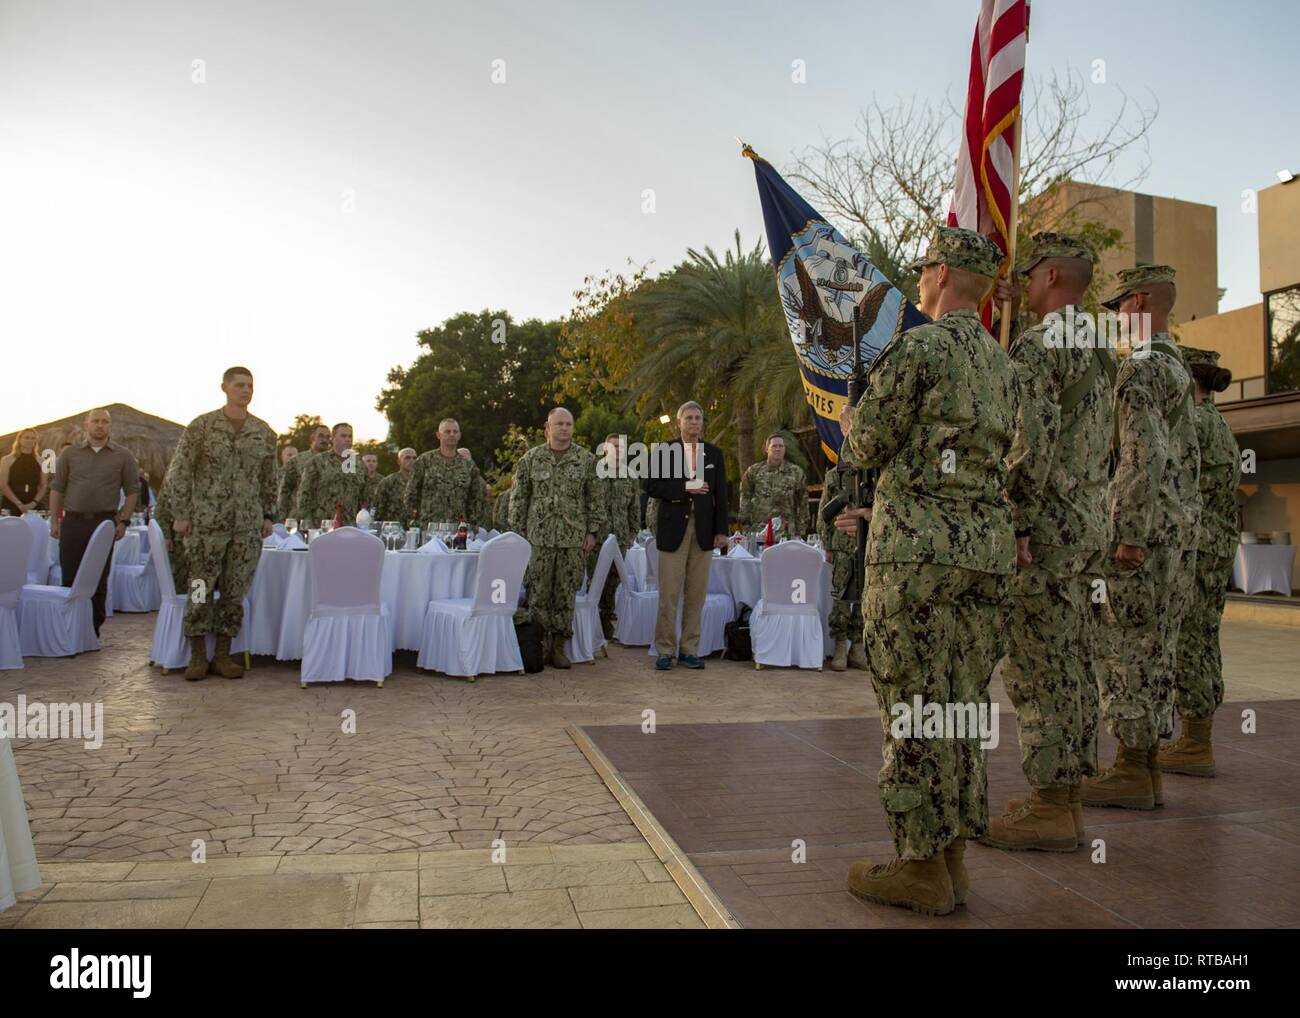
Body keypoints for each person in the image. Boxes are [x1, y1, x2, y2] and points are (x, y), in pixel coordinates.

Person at [836, 227, 1017, 916]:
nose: (918, 281)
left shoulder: (920, 347)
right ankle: (952, 860)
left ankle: (919, 864)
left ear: (942, 273)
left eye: (923, 271)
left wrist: (854, 413)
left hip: (917, 555)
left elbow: (865, 444)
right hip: (984, 555)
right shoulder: (1004, 365)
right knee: (962, 705)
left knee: (913, 703)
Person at [973, 234, 1116, 851]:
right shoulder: (1099, 344)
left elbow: (1030, 439)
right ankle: (1070, 796)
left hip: (1049, 528)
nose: (1024, 285)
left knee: (1039, 667)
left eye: (1030, 276)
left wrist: (1019, 518)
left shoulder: (1039, 346)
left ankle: (1050, 804)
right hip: (1088, 520)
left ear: (1053, 275)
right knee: (1076, 659)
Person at [1082, 265, 1201, 811]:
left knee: (1126, 645)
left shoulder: (1142, 369)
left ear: (1142, 301)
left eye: (1121, 307)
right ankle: (1146, 763)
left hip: (1145, 534)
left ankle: (1131, 768)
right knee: (1159, 645)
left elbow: (1140, 454)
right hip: (1177, 533)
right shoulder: (1177, 368)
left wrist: (1127, 531)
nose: (1117, 319)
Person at [1159, 347, 1239, 779]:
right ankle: (1198, 733)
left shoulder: (1193, 422)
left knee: (1190, 637)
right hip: (1216, 545)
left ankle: (1195, 741)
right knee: (1204, 635)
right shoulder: (1219, 423)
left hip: (1197, 544)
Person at [169, 367, 276, 680]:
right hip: (206, 523)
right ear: (224, 388)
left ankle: (222, 655)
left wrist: (268, 514)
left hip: (246, 526)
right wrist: (181, 513)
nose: (246, 390)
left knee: (234, 591)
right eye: (240, 385)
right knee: (200, 588)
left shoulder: (263, 431)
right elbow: (180, 471)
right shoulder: (201, 426)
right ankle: (198, 656)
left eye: (250, 386)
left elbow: (270, 479)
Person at [511, 408, 603, 668]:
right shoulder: (530, 459)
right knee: (538, 593)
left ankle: (559, 646)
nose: (564, 428)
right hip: (537, 538)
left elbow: (595, 499)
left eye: (568, 424)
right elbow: (519, 500)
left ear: (573, 428)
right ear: (547, 427)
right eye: (558, 424)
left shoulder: (586, 460)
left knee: (565, 593)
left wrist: (592, 532)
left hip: (572, 538)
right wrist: (519, 536)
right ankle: (539, 644)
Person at [645, 401, 730, 670]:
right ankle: (665, 650)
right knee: (669, 594)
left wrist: (721, 531)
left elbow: (722, 495)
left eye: (698, 418)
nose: (694, 422)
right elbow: (650, 485)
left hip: (704, 531)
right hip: (673, 530)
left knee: (696, 595)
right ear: (679, 423)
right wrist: (685, 487)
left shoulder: (714, 454)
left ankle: (690, 649)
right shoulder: (665, 451)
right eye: (689, 418)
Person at [48, 408, 140, 636]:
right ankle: (70, 628)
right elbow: (57, 488)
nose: (100, 425)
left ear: (110, 426)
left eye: (104, 422)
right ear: (86, 424)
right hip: (73, 522)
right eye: (95, 421)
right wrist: (54, 521)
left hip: (104, 523)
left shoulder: (123, 455)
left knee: (99, 577)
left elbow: (132, 491)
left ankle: (92, 628)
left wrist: (124, 521)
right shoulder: (70, 455)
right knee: (70, 574)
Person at [816, 456, 869, 672]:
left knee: (864, 595)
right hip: (841, 541)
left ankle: (857, 647)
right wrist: (827, 544)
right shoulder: (834, 475)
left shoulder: (871, 472)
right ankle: (839, 646)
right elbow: (823, 513)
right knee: (841, 594)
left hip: (868, 541)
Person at [595, 434, 641, 639]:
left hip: (620, 538)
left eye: (622, 447)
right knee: (595, 579)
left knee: (613, 581)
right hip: (596, 538)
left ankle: (606, 619)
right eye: (613, 446)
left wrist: (632, 535)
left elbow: (635, 510)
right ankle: (592, 621)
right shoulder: (593, 472)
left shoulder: (630, 475)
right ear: (605, 448)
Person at [405, 419, 487, 527]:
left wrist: (472, 525)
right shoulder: (424, 461)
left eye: (455, 431)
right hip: (428, 527)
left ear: (459, 435)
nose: (452, 434)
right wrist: (416, 522)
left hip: (458, 529)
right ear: (438, 435)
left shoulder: (469, 465)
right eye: (447, 431)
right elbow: (410, 495)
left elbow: (476, 499)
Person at [296, 423, 365, 526]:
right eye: (343, 436)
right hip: (322, 523)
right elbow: (305, 494)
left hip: (350, 524)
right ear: (333, 438)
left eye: (350, 436)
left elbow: (363, 495)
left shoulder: (358, 464)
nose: (348, 439)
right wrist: (306, 523)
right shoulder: (317, 461)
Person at [739, 435, 808, 536]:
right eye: (774, 446)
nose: (778, 449)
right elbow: (745, 497)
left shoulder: (796, 472)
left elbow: (803, 502)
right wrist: (746, 526)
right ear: (767, 449)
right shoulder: (754, 471)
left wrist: (800, 531)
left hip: (787, 531)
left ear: (785, 449)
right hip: (759, 530)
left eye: (781, 446)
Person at [277, 425, 329, 522]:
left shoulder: (335, 463)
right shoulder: (298, 460)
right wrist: (282, 518)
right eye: (321, 436)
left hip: (326, 520)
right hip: (300, 518)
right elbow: (285, 490)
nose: (324, 440)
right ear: (312, 438)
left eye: (327, 437)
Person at [1, 428, 47, 516]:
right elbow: (3, 484)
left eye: (33, 438)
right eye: (26, 437)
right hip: (11, 503)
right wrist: (18, 504)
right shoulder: (7, 460)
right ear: (19, 439)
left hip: (33, 504)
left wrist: (34, 503)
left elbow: (44, 485)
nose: (30, 440)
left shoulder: (42, 461)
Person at [373, 447, 416, 522]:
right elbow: (377, 510)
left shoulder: (421, 482)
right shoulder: (388, 482)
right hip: (393, 529)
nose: (412, 460)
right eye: (407, 458)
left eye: (414, 458)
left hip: (415, 528)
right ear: (399, 461)